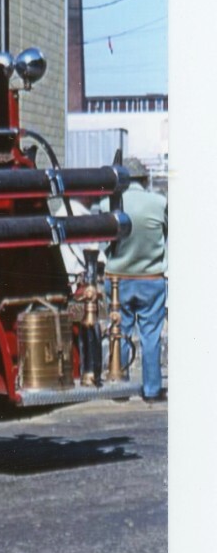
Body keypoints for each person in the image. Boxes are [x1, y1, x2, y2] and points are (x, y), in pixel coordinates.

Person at [106, 157, 168, 401]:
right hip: (151, 278)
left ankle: (118, 386)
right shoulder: (159, 203)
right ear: (144, 179)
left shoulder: (109, 203)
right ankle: (152, 390)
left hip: (117, 280)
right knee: (150, 336)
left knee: (119, 330)